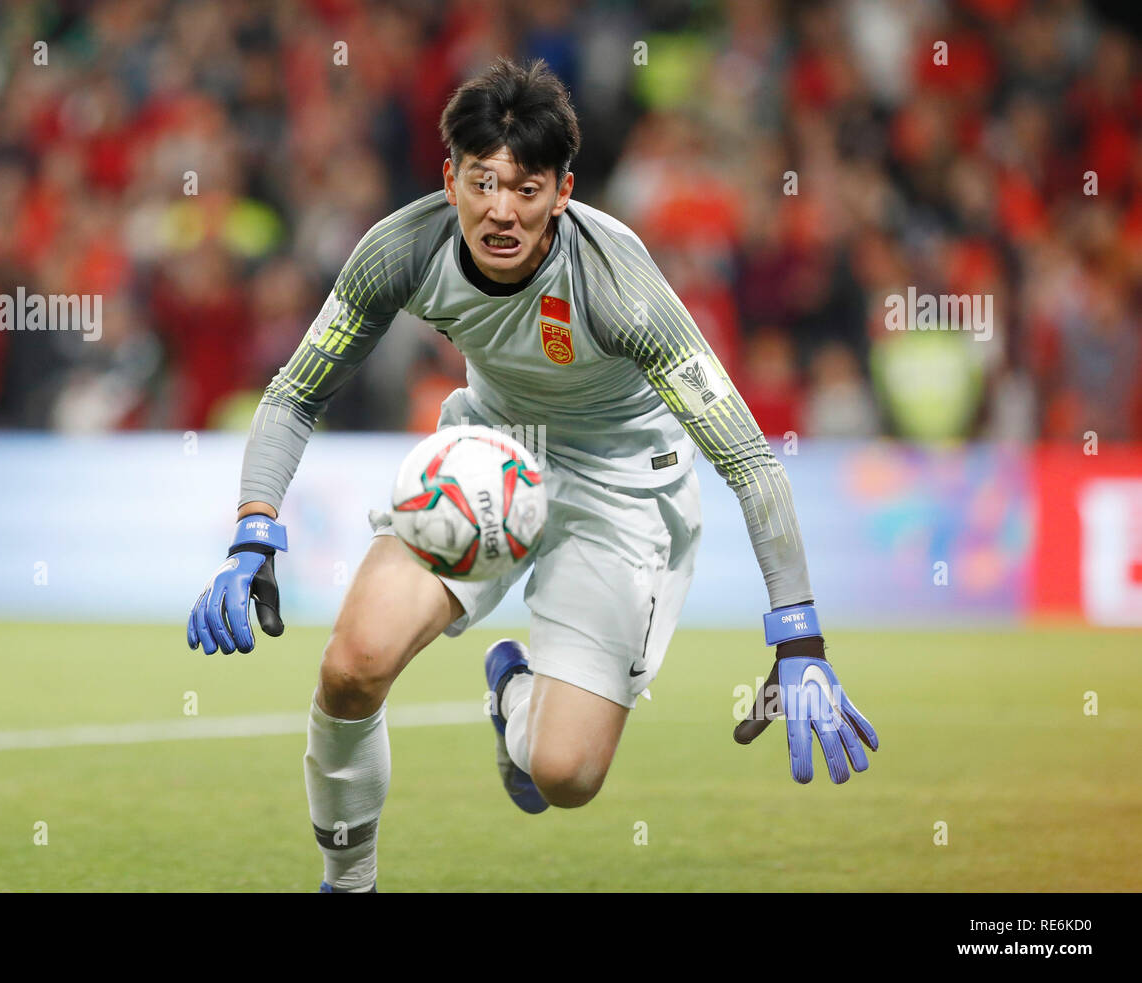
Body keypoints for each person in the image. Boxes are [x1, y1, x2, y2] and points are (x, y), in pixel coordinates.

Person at [186, 58, 877, 892]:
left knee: (566, 776)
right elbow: (297, 391)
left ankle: (511, 688)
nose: (501, 210)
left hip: (621, 486)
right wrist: (252, 528)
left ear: (562, 192)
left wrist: (797, 636)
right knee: (351, 663)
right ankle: (349, 880)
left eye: (526, 188)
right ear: (450, 179)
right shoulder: (402, 250)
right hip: (488, 456)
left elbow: (749, 458)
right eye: (483, 182)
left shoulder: (618, 285)